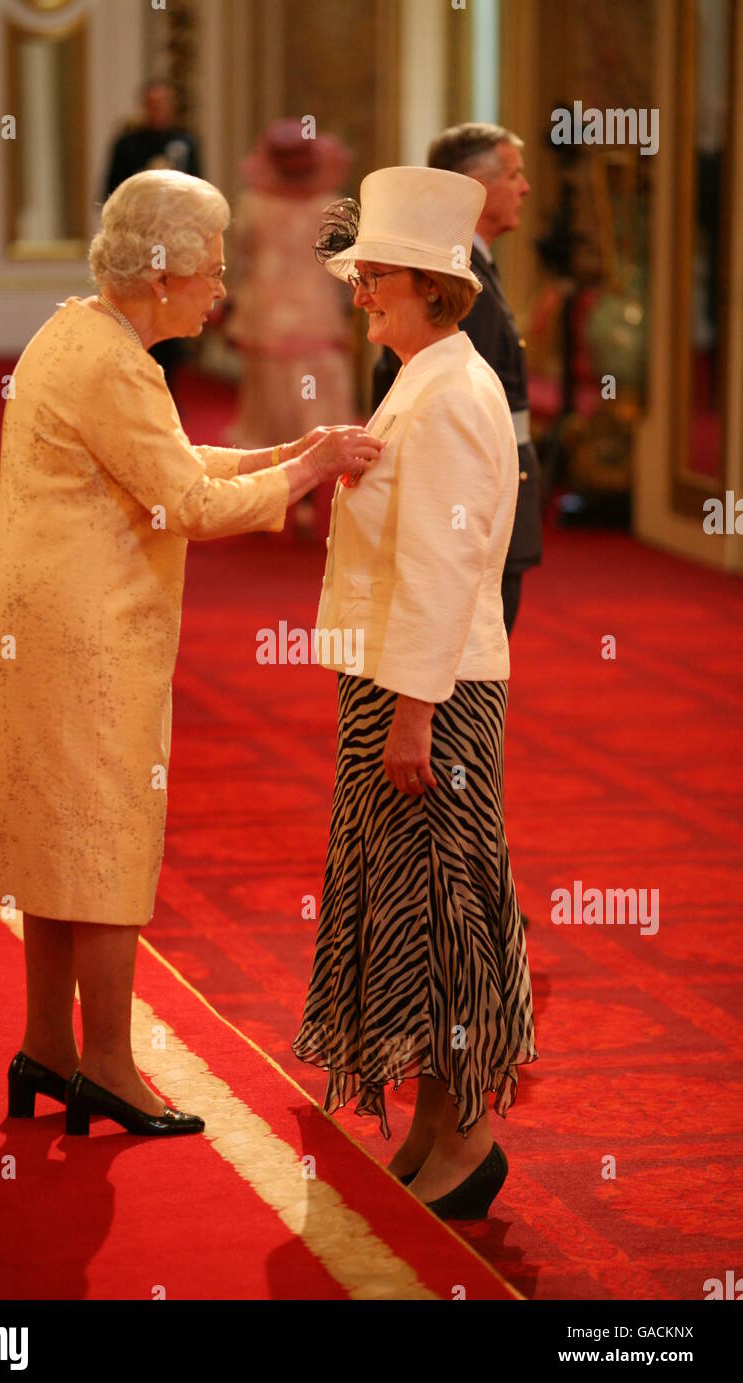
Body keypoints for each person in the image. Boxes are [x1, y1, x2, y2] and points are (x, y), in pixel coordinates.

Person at [0, 170, 384, 1141]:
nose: (222, 290)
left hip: (36, 617)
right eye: (211, 272)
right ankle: (106, 1063)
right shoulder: (117, 366)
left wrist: (286, 454)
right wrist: (311, 469)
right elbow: (185, 502)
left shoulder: (76, 332)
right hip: (87, 632)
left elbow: (166, 460)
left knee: (55, 836)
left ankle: (47, 1047)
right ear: (161, 274)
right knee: (104, 835)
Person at [292, 166, 538, 1221]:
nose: (358, 294)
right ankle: (438, 1129)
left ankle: (469, 1139)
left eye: (374, 278)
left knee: (444, 920)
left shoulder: (446, 390)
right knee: (418, 912)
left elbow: (444, 568)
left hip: (428, 689)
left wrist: (413, 712)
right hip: (401, 674)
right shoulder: (425, 376)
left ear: (432, 287)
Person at [372, 125, 542, 635]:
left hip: (477, 499)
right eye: (513, 174)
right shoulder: (458, 276)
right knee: (467, 655)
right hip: (470, 511)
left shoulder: (463, 264)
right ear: (477, 186)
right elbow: (454, 408)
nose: (526, 187)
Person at [226, 119, 358, 539]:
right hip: (315, 315)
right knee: (310, 407)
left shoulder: (253, 205)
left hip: (267, 317)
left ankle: (266, 499)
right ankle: (302, 503)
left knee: (270, 409)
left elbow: (239, 261)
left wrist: (230, 306)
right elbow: (345, 269)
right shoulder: (330, 206)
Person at [103, 81, 202, 394]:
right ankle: (134, 391)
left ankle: (166, 393)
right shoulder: (127, 145)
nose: (158, 110)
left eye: (164, 103)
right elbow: (110, 194)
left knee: (170, 317)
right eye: (152, 104)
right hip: (138, 247)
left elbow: (199, 193)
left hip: (175, 247)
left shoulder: (186, 143)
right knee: (138, 316)